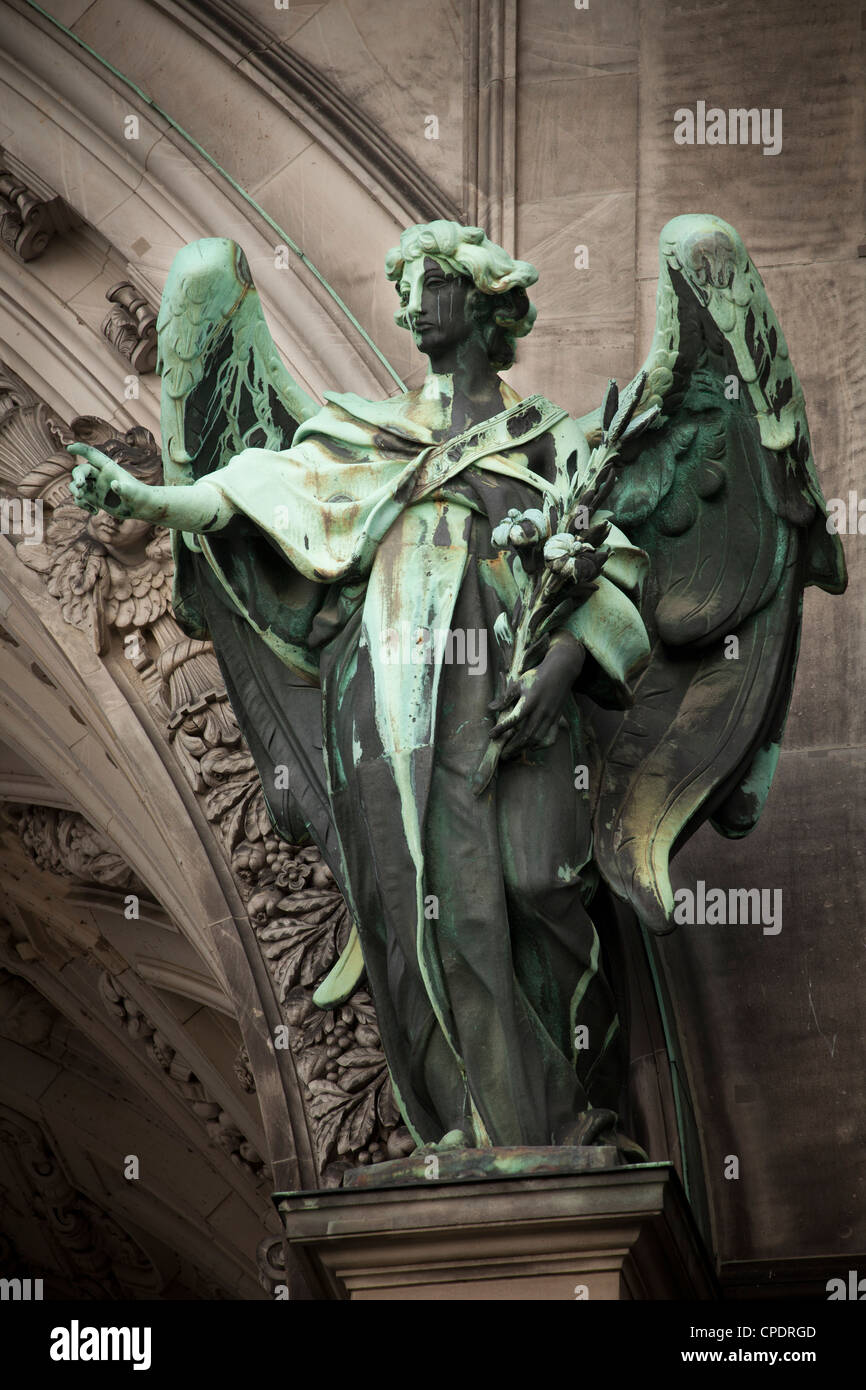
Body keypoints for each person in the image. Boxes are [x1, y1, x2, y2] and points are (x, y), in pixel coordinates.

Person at [69, 221, 650, 1152]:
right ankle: (470, 1123)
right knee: (412, 888)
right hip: (392, 706)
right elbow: (245, 491)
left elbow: (608, 572)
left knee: (537, 882)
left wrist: (557, 675)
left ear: (482, 302)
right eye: (405, 285)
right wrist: (143, 501)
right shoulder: (362, 435)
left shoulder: (550, 439)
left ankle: (565, 1120)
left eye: (431, 283)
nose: (413, 302)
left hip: (515, 704)